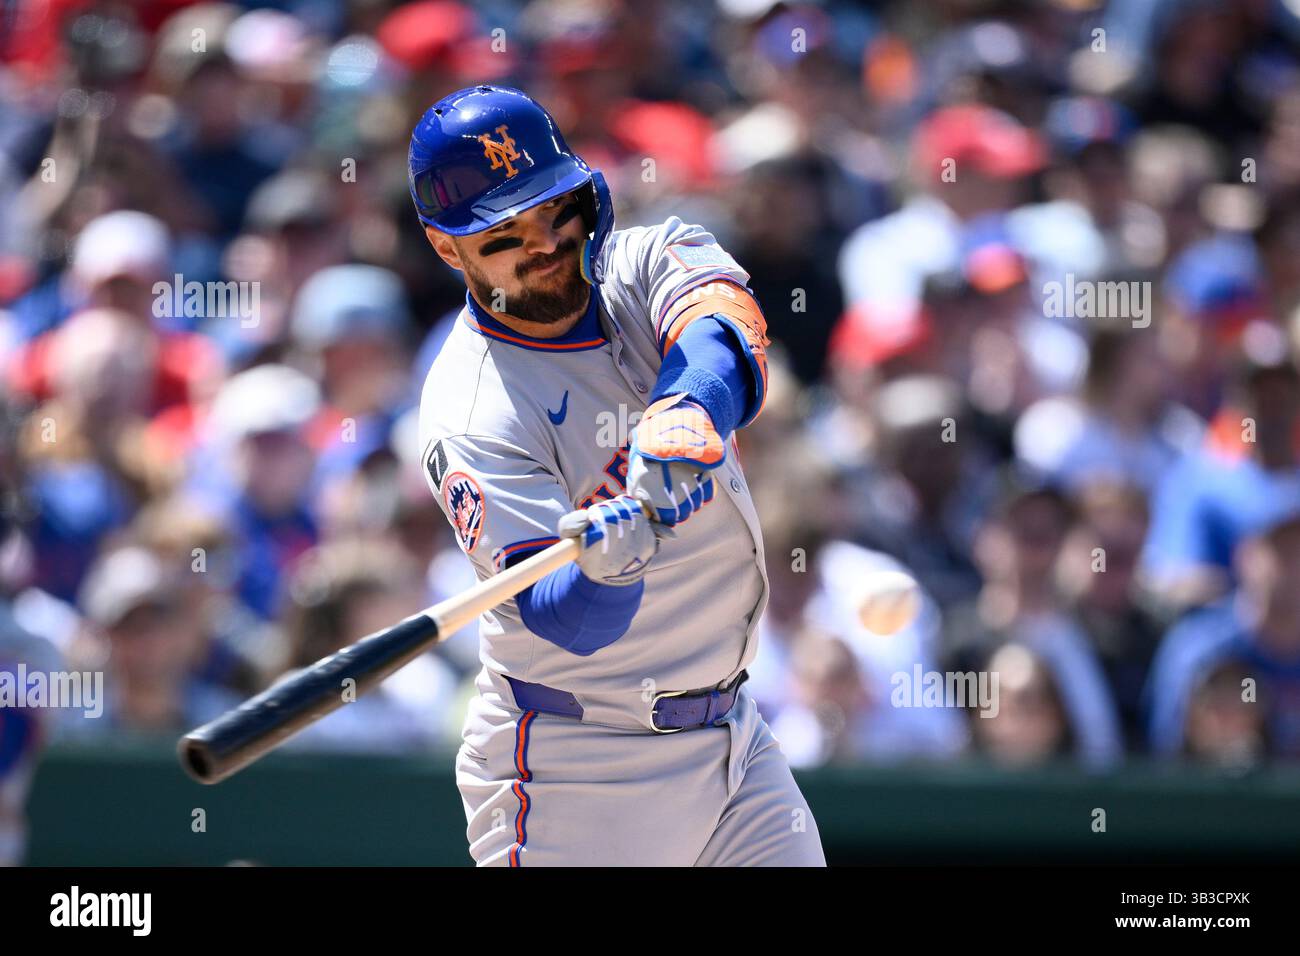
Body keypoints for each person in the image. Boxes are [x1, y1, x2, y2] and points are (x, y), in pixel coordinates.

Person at [413, 86, 823, 866]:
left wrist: (690, 408)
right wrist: (607, 568)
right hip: (579, 768)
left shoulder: (637, 261)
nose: (544, 243)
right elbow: (564, 620)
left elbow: (726, 329)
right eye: (504, 233)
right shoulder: (471, 407)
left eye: (551, 209)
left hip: (736, 740)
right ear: (447, 247)